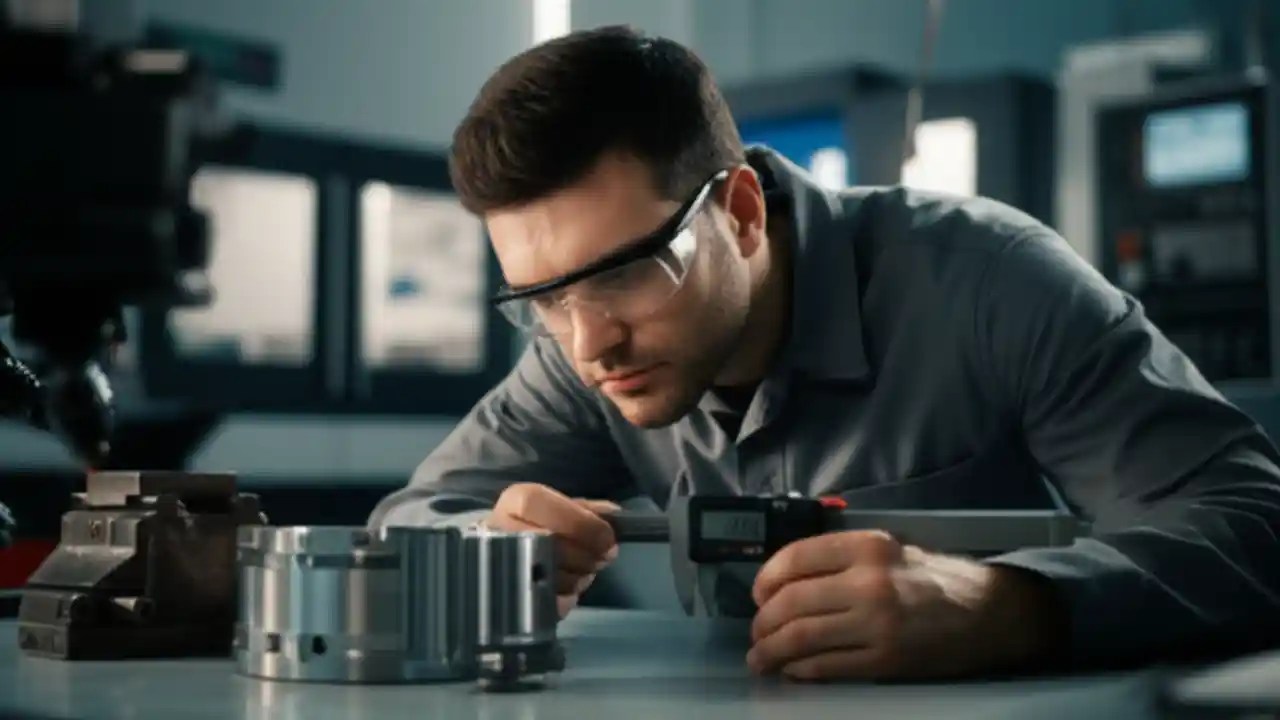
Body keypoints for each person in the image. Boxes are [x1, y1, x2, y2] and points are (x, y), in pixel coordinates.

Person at [369, 25, 1280, 681]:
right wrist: (476, 548)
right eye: (544, 299)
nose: (587, 340)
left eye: (627, 275)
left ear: (742, 213)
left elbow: (1251, 519)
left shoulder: (991, 280)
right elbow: (409, 519)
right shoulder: (581, 345)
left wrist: (1010, 606)